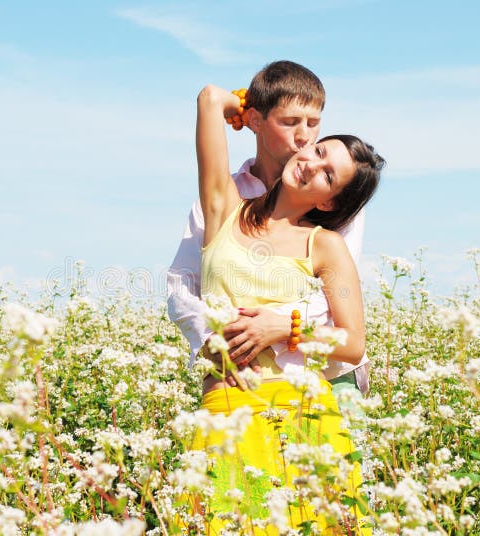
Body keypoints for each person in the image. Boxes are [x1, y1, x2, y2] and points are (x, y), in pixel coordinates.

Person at [182, 76, 384, 534]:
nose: (311, 163)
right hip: (227, 404)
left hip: (304, 412)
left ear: (331, 201)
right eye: (317, 150)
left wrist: (286, 328)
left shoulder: (326, 245)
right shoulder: (223, 209)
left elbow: (353, 344)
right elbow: (209, 99)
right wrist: (243, 105)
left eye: (327, 174)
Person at [166, 61, 371, 404]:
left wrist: (279, 328)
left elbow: (338, 312)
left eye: (314, 124)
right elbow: (184, 282)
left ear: (328, 203)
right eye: (290, 122)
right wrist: (215, 341)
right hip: (234, 379)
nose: (304, 137)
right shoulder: (224, 200)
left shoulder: (335, 212)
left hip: (324, 375)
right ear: (257, 122)